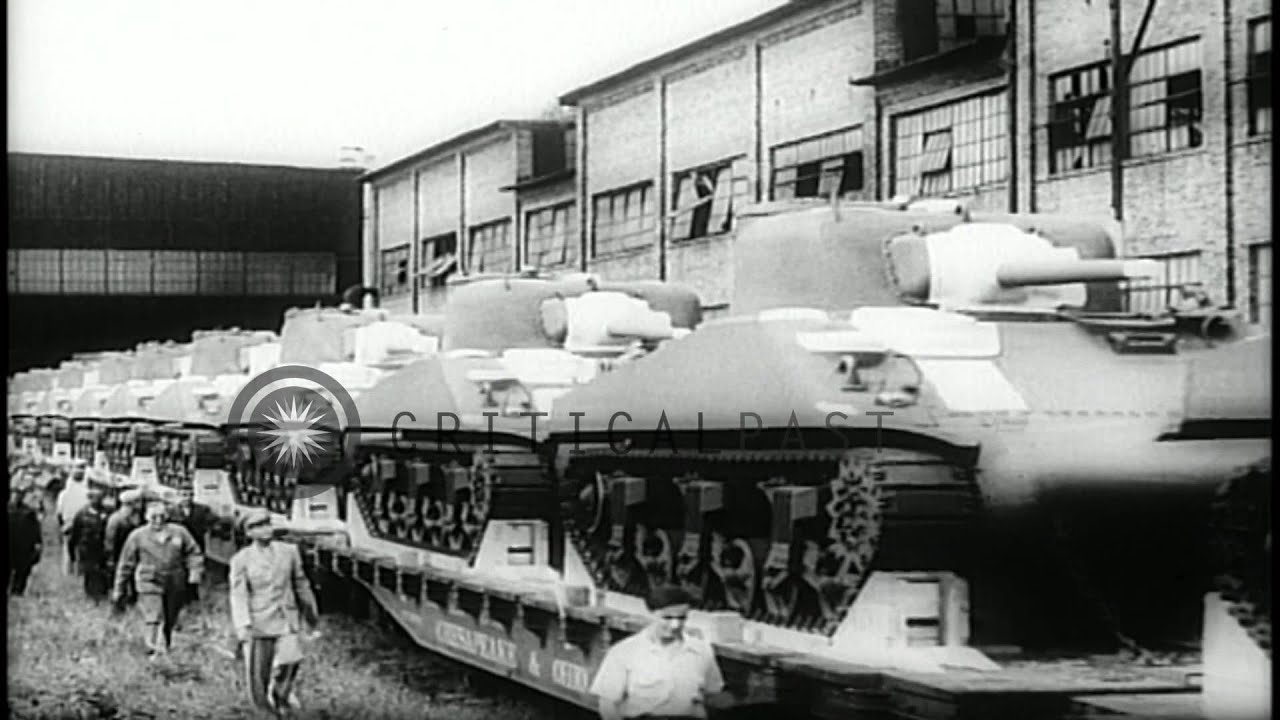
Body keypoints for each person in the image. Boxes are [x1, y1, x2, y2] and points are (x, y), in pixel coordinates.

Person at [588, 584, 728, 720]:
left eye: (681, 618)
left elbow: (713, 694)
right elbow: (607, 705)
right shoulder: (624, 652)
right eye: (667, 618)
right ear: (651, 615)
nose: (675, 625)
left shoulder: (701, 651)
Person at [229, 508, 320, 713]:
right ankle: (263, 710)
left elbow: (301, 584)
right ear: (248, 532)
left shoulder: (289, 551)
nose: (265, 529)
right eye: (258, 526)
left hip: (286, 616)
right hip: (258, 620)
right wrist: (242, 624)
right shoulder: (241, 559)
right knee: (258, 672)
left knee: (291, 659)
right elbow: (239, 594)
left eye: (267, 524)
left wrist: (311, 615)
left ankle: (281, 696)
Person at [111, 501, 204, 656]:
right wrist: (118, 589)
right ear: (147, 517)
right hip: (149, 582)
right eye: (154, 517)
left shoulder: (179, 532)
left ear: (166, 516)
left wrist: (195, 572)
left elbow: (194, 552)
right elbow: (125, 564)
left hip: (175, 581)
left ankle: (165, 645)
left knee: (170, 616)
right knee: (154, 616)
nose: (158, 521)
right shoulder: (137, 536)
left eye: (161, 516)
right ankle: (153, 650)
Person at [68, 487, 112, 602]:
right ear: (90, 499)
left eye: (100, 498)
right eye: (95, 498)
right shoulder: (82, 514)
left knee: (102, 573)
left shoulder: (107, 512)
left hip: (101, 548)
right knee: (90, 573)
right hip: (87, 549)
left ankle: (102, 595)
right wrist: (72, 553)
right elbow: (75, 534)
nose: (97, 501)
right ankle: (91, 596)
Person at [106, 488, 145, 610]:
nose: (140, 504)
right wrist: (111, 559)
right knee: (120, 580)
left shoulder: (135, 518)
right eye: (138, 502)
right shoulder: (116, 520)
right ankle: (118, 604)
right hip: (119, 555)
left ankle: (132, 602)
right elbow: (110, 541)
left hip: (133, 555)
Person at [54, 466, 89, 575]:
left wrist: (61, 525)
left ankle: (67, 571)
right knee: (81, 549)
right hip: (83, 523)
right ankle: (79, 572)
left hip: (68, 523)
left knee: (67, 549)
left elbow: (59, 511)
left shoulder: (64, 494)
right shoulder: (87, 493)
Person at [8, 488, 43, 596]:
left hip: (24, 545)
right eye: (14, 495)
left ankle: (18, 591)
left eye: (18, 495)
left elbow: (35, 528)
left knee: (22, 569)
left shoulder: (28, 512)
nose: (16, 498)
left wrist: (37, 542)